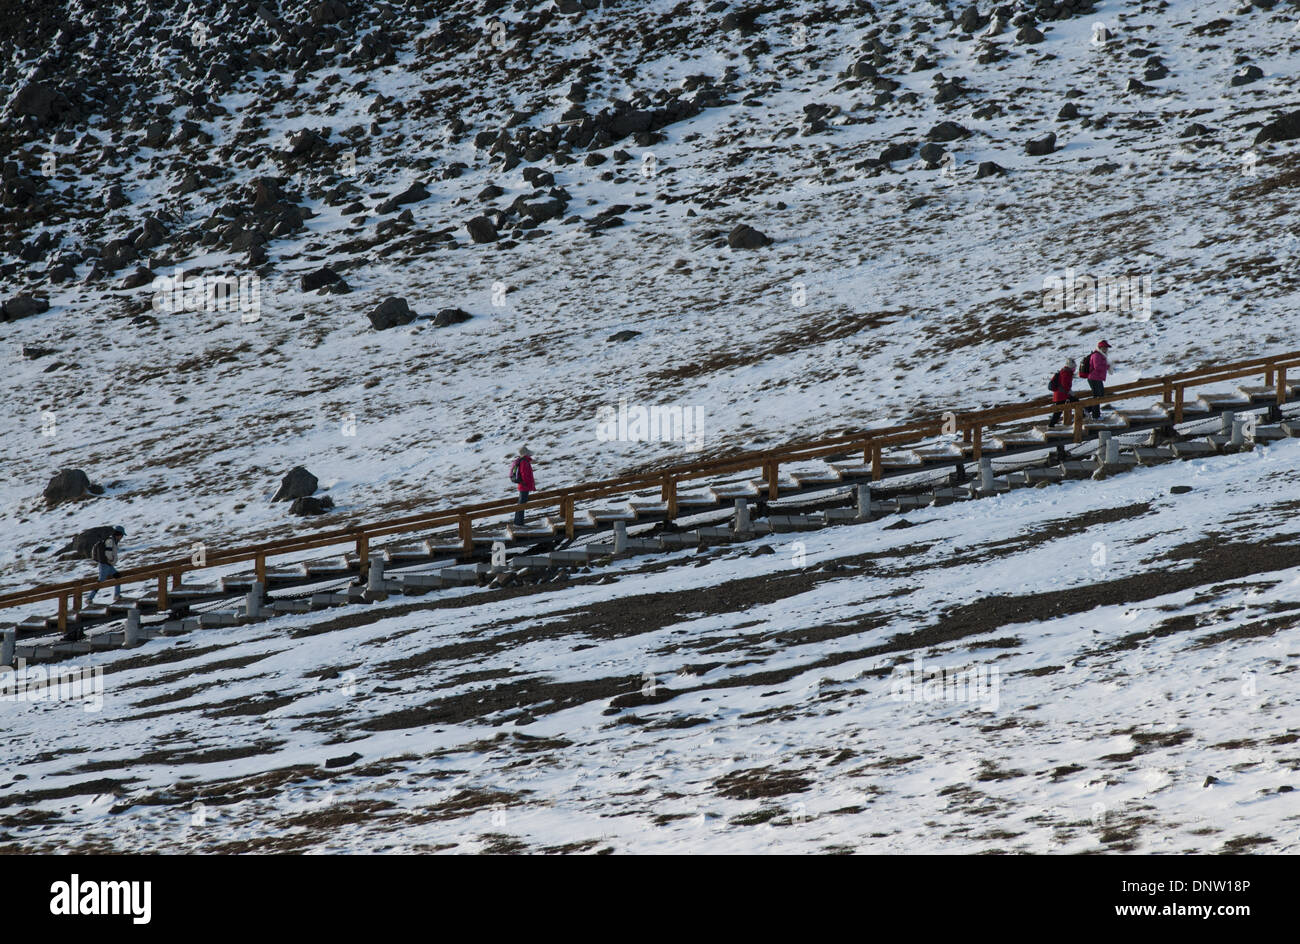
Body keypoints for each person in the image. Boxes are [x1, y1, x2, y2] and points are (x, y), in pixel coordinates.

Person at [85, 525, 125, 604]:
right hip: (105, 564)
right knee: (100, 582)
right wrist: (111, 560)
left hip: (107, 564)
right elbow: (108, 553)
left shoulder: (112, 540)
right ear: (119, 534)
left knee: (117, 576)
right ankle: (89, 598)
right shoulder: (110, 541)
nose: (122, 537)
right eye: (122, 535)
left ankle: (117, 595)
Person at [1080, 340, 1112, 419]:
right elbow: (1097, 367)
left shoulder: (1101, 355)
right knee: (1097, 397)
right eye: (1105, 348)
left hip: (1097, 378)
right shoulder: (1096, 355)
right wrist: (1107, 367)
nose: (1106, 349)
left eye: (1107, 348)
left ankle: (1087, 409)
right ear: (1100, 348)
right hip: (1094, 378)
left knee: (1099, 396)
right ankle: (1095, 415)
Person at [1047, 358, 1078, 427]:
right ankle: (1051, 425)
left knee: (1058, 411)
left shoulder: (1065, 371)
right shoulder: (1066, 373)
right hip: (1061, 395)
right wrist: (1070, 392)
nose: (1074, 369)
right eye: (1074, 367)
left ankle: (1051, 425)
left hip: (1060, 395)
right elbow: (1064, 385)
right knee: (1076, 403)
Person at [510, 446, 535, 527]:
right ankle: (518, 523)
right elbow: (524, 473)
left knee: (521, 503)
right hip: (524, 485)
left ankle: (518, 522)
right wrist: (527, 483)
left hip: (523, 485)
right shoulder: (524, 461)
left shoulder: (523, 460)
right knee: (521, 504)